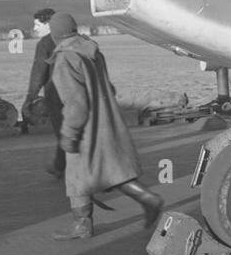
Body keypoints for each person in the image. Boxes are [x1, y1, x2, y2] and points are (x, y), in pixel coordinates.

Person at [48, 12, 163, 239]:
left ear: (55, 34)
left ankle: (82, 225)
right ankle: (148, 198)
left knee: (77, 177)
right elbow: (108, 89)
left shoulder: (64, 60)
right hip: (106, 122)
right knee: (111, 171)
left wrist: (69, 135)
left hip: (86, 129)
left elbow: (75, 104)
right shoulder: (91, 51)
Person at [23, 7, 65, 178]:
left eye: (37, 24)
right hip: (79, 94)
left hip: (56, 96)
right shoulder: (78, 39)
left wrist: (29, 99)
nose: (35, 29)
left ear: (48, 24)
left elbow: (38, 73)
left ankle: (60, 167)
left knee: (63, 132)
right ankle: (60, 166)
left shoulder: (45, 43)